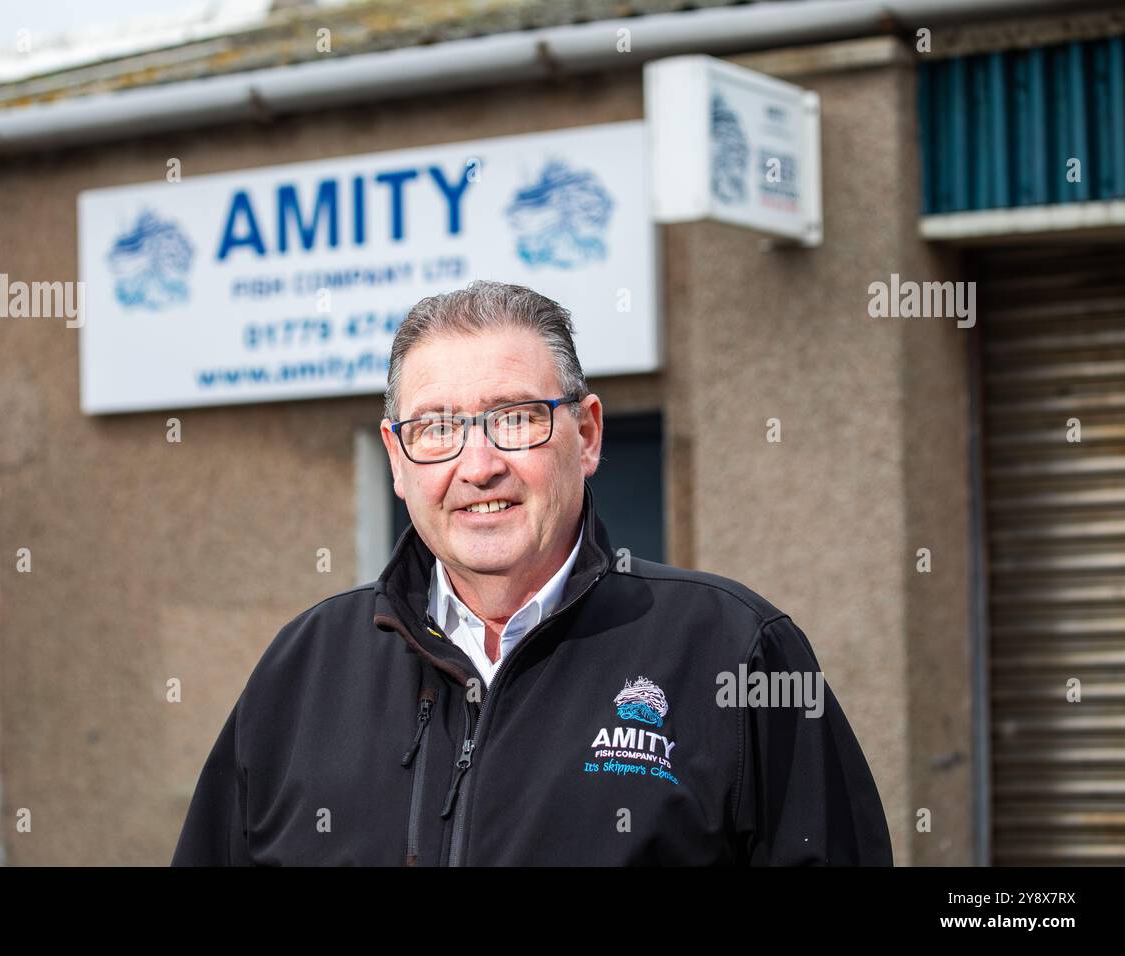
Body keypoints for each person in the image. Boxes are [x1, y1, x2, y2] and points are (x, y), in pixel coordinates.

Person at [171, 279, 893, 866]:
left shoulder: (733, 652)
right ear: (397, 459)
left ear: (587, 435)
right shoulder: (302, 671)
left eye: (514, 418)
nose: (477, 465)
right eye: (437, 428)